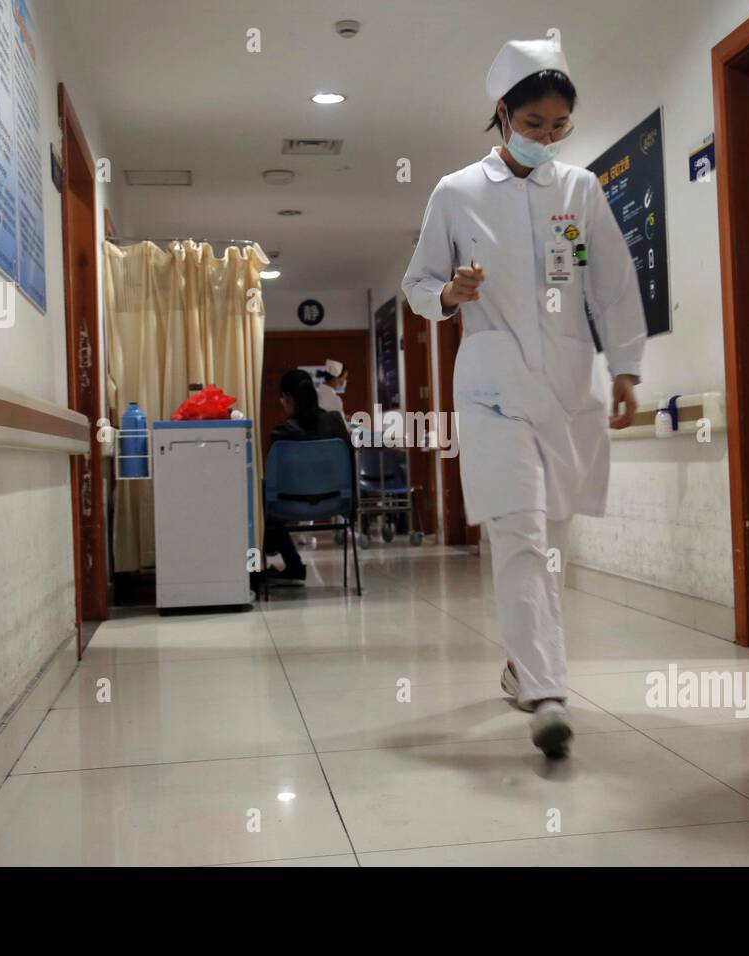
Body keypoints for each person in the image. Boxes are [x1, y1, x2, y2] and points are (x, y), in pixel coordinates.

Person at [401, 39, 645, 757]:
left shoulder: (582, 191)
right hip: (492, 394)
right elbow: (418, 285)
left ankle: (522, 665)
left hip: (568, 393)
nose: (546, 138)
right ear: (503, 113)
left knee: (553, 546)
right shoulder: (456, 192)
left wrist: (626, 368)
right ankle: (547, 694)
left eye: (558, 126)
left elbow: (615, 284)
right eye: (534, 123)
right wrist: (449, 293)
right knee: (519, 537)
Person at [263, 368, 354, 585]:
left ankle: (270, 562)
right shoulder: (335, 423)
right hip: (335, 503)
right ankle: (290, 564)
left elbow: (274, 479)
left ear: (287, 398)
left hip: (290, 507)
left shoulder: (282, 432)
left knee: (258, 500)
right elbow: (349, 465)